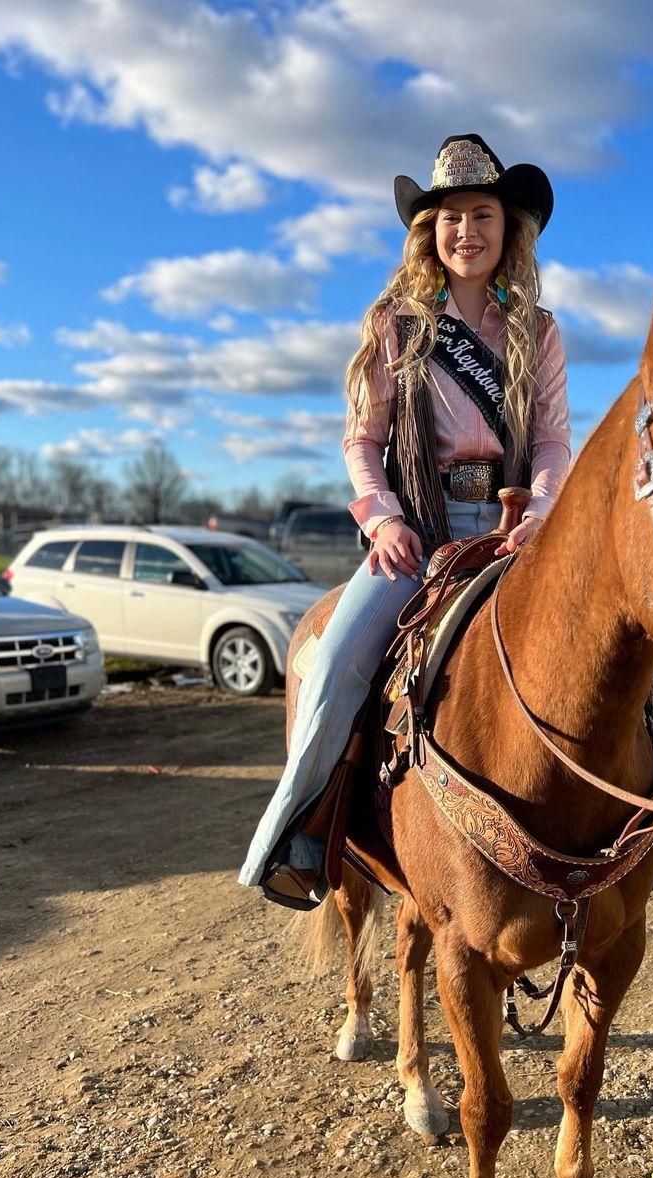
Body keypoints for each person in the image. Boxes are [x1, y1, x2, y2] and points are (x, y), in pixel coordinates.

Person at [238, 133, 572, 909]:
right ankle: (299, 840)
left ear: (508, 228)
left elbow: (553, 439)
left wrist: (542, 512)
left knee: (623, 650)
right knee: (336, 663)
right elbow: (362, 441)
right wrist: (384, 520)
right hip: (418, 531)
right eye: (450, 217)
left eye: (482, 214)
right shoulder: (397, 324)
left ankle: (652, 822)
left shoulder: (539, 330)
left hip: (513, 527)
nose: (466, 231)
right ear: (430, 232)